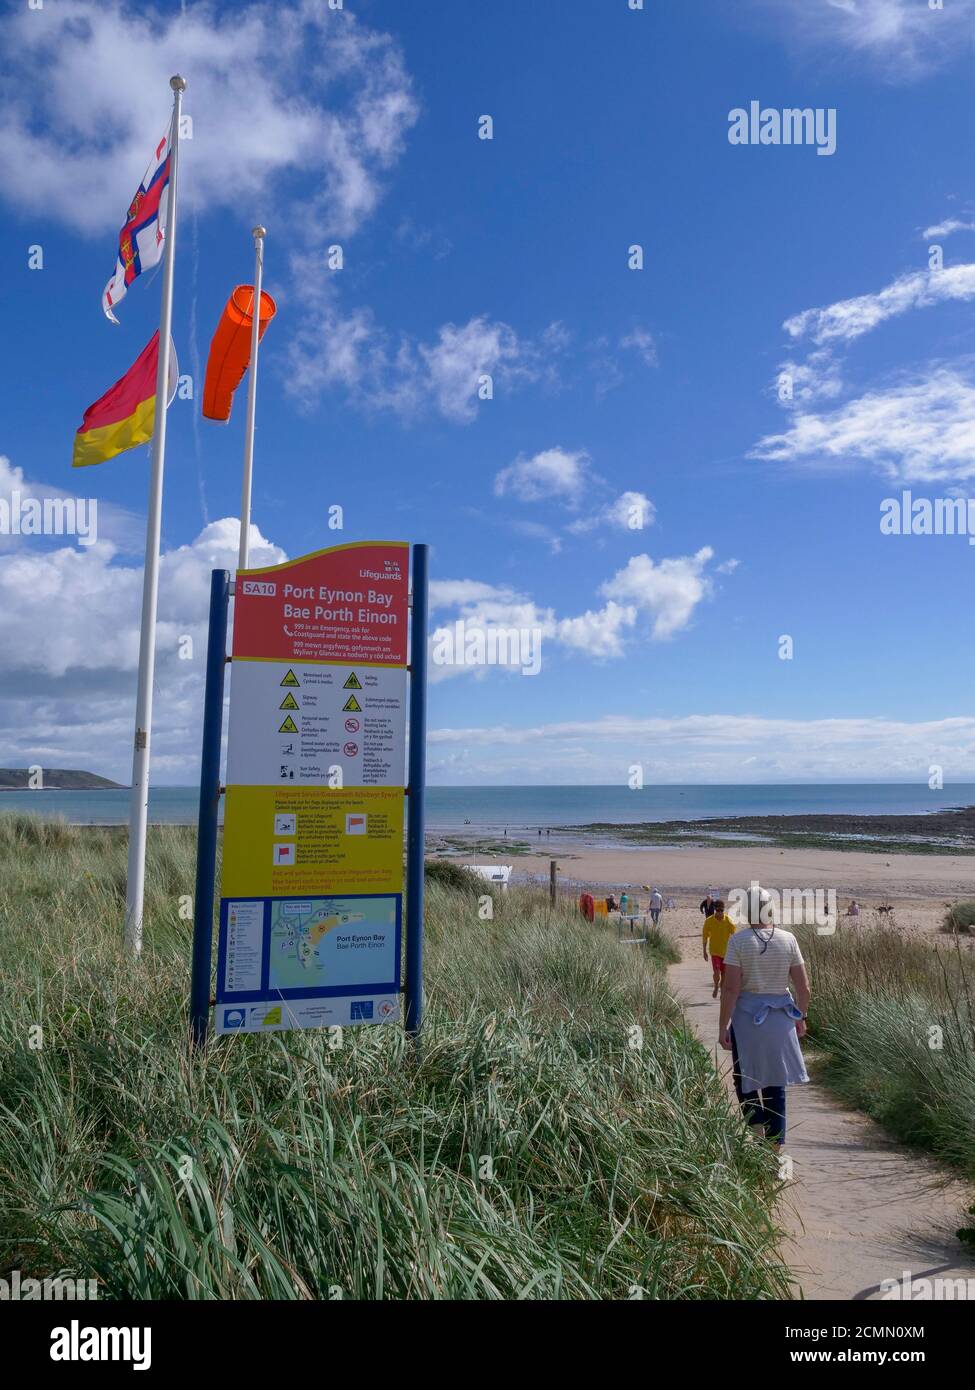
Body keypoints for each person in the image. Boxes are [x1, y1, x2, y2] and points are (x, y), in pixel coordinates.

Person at [718, 885, 810, 1148]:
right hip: (781, 1019)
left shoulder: (738, 941)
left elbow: (731, 988)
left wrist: (723, 1025)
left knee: (744, 1079)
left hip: (748, 1021)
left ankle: (757, 1130)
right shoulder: (788, 939)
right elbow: (803, 987)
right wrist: (801, 1016)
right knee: (775, 1085)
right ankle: (775, 1149)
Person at [701, 897, 734, 998]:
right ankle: (716, 986)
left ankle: (721, 990)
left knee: (724, 974)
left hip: (726, 952)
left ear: (724, 910)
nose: (720, 912)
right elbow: (705, 936)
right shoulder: (709, 921)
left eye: (721, 910)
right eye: (718, 910)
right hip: (714, 951)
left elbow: (734, 936)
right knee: (716, 972)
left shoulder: (728, 920)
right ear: (715, 909)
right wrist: (704, 951)